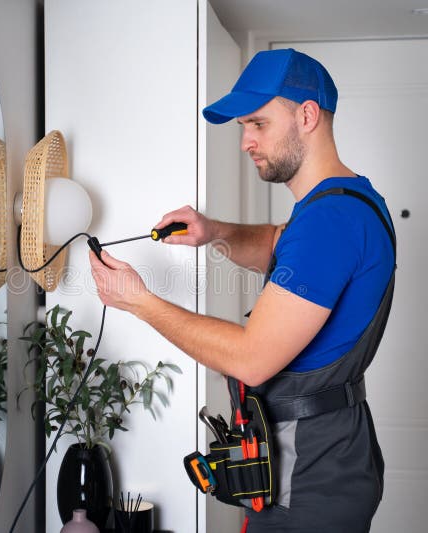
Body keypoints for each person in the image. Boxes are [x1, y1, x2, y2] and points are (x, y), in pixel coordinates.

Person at [89, 48, 396, 533]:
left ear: (307, 115)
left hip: (309, 478)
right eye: (242, 128)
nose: (246, 142)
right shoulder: (347, 202)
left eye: (258, 124)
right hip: (325, 459)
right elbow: (280, 244)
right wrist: (214, 232)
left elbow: (252, 359)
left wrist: (139, 301)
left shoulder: (329, 222)